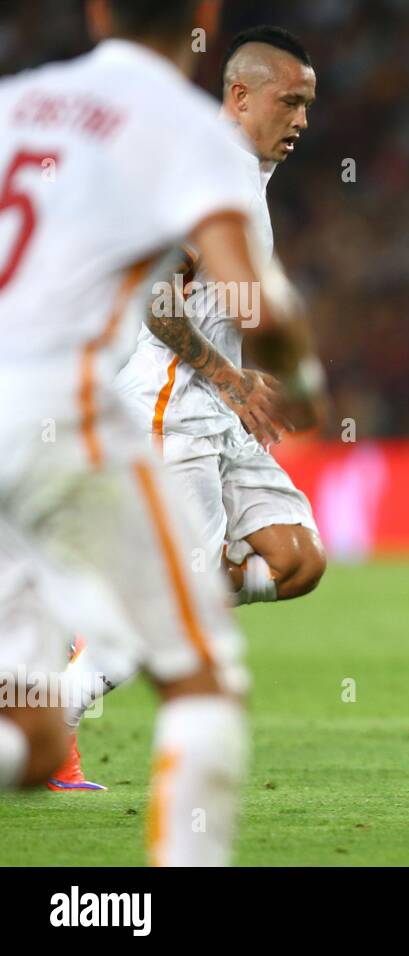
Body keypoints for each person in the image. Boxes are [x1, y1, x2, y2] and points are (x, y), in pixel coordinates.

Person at [0, 0, 323, 864]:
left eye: (309, 108)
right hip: (161, 399)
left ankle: (164, 585)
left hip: (125, 405)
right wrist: (270, 377)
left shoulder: (22, 102)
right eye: (291, 104)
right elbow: (158, 300)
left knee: (297, 559)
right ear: (236, 86)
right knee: (195, 673)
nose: (302, 122)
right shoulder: (188, 140)